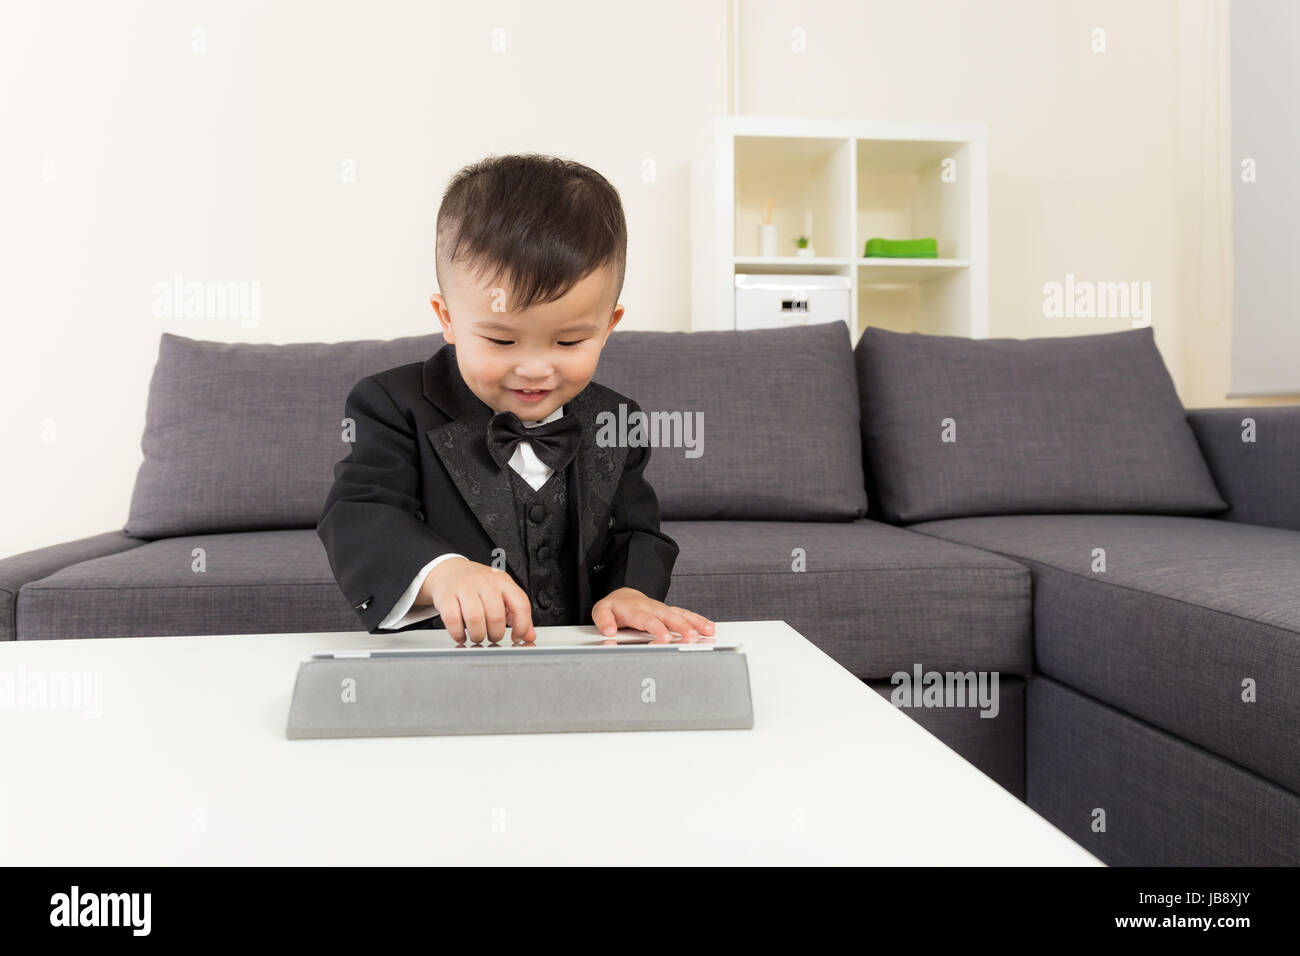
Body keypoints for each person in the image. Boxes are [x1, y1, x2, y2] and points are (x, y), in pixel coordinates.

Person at [317, 153, 715, 646]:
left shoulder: (616, 418)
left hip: (585, 661)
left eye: (568, 342)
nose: (533, 368)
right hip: (445, 664)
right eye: (502, 341)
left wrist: (631, 590)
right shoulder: (392, 404)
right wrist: (442, 573)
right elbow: (360, 511)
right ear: (448, 318)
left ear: (608, 326)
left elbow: (633, 532)